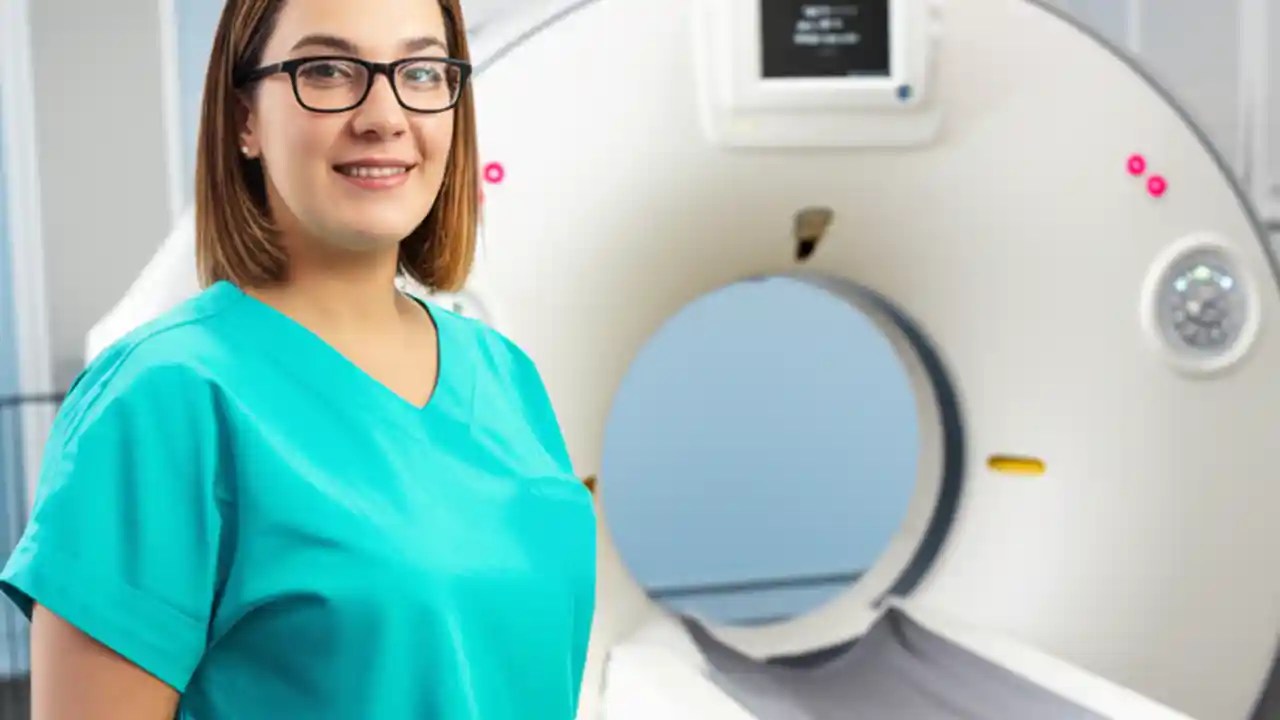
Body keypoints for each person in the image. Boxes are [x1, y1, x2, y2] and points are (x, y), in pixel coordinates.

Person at [0, 0, 598, 717]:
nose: (384, 114)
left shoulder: (506, 375)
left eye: (421, 71)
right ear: (244, 119)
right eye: (327, 70)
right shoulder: (163, 396)